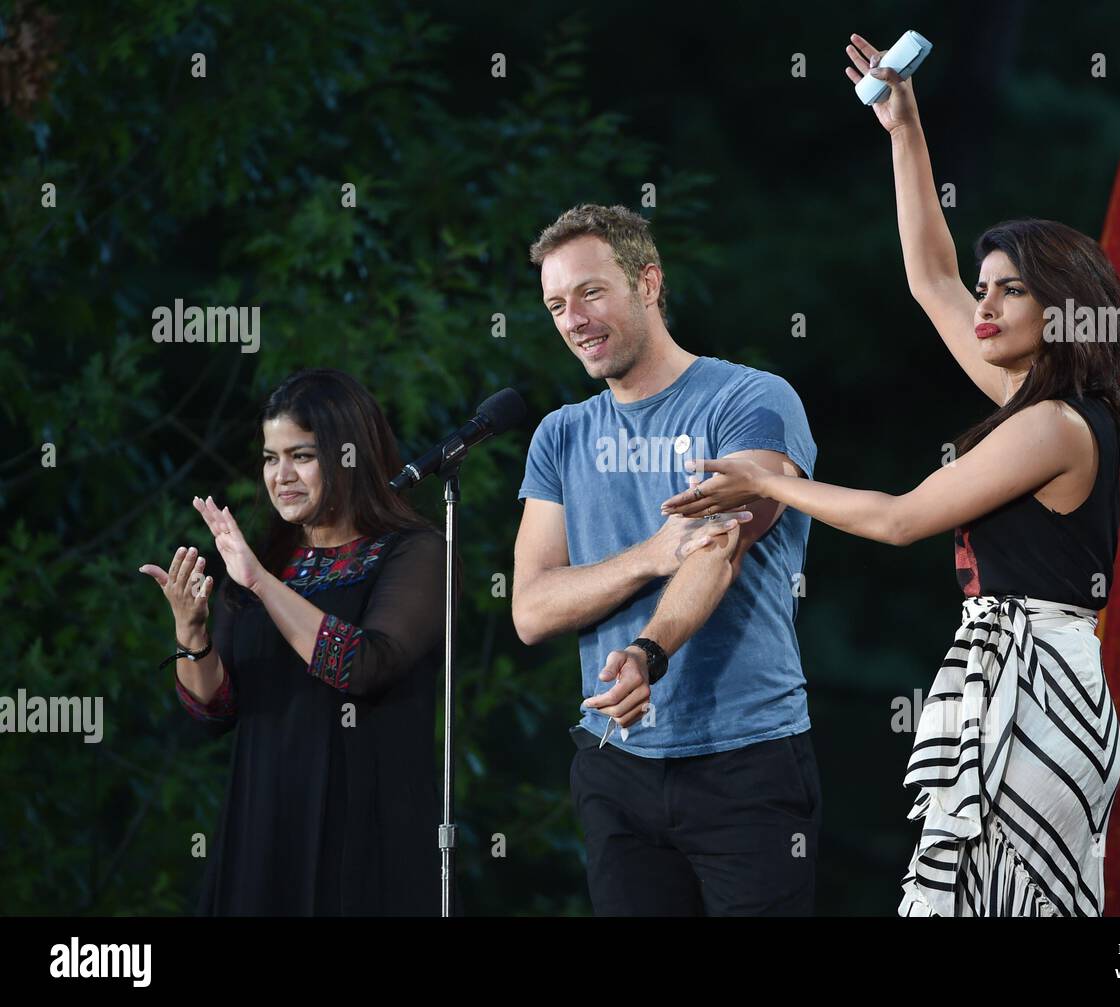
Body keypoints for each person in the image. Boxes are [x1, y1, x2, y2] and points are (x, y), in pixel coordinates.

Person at [661, 35, 1120, 917]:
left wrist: (767, 480)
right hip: (1017, 679)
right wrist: (905, 129)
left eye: (1008, 290)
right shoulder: (1038, 402)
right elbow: (930, 276)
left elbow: (898, 520)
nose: (985, 304)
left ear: (1059, 307)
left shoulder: (1053, 424)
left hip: (1035, 691)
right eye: (988, 287)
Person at [513, 204, 821, 915]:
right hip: (614, 763)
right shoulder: (560, 434)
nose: (573, 319)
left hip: (748, 758)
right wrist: (651, 555)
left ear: (648, 282)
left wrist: (648, 651)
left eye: (591, 292)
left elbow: (719, 548)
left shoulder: (750, 398)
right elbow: (530, 609)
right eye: (556, 304)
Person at [139, 368, 449, 915]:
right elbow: (216, 709)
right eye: (269, 457)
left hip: (365, 823)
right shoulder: (267, 557)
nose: (281, 476)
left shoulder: (414, 552)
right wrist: (191, 637)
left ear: (349, 456)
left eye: (301, 456)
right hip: (263, 819)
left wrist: (260, 582)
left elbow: (362, 665)